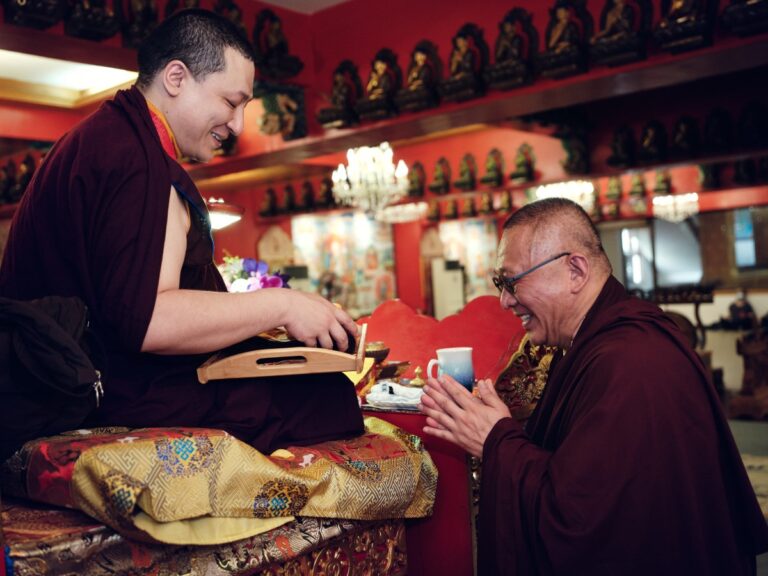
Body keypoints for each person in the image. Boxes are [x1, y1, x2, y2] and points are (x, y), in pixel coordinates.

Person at [0, 9, 363, 455]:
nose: (237, 126)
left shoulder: (107, 136)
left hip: (56, 374)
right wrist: (282, 304)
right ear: (176, 77)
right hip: (82, 387)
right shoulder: (134, 157)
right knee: (326, 398)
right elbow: (151, 321)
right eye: (231, 103)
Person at [420, 197, 768, 574]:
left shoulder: (631, 362)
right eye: (499, 283)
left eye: (512, 281)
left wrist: (496, 440)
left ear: (575, 270)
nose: (504, 300)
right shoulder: (590, 345)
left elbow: (581, 520)